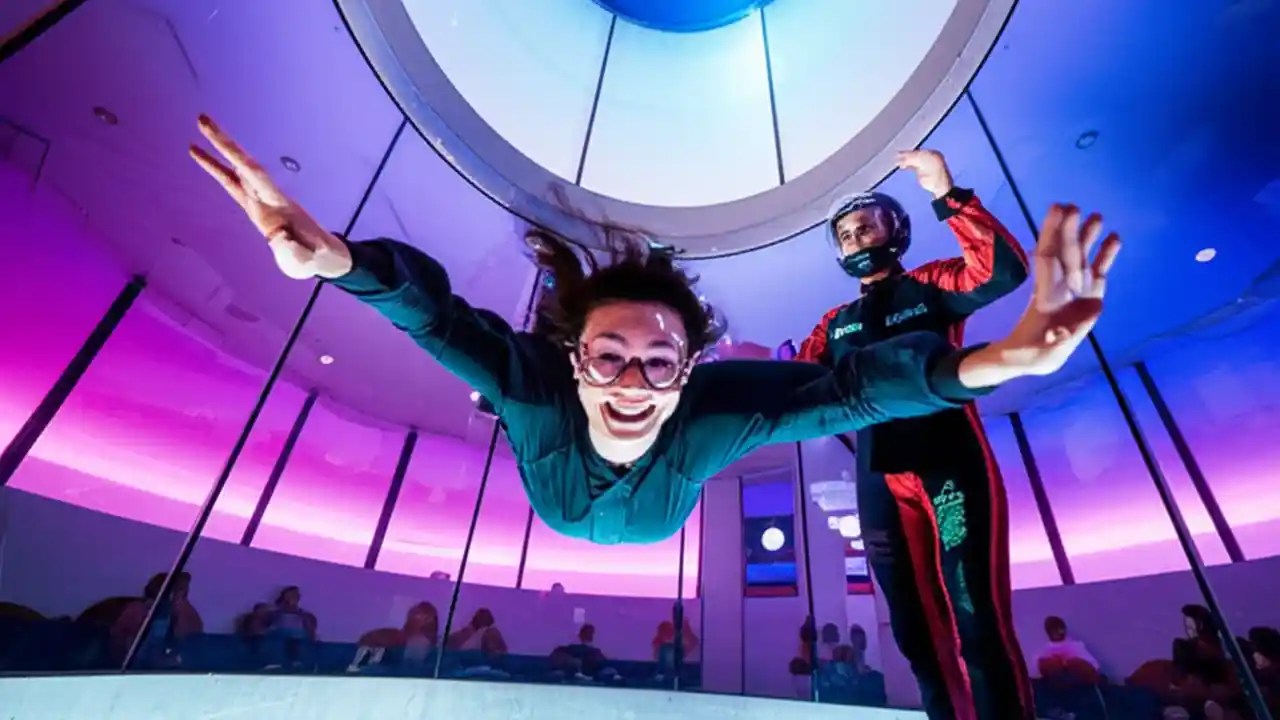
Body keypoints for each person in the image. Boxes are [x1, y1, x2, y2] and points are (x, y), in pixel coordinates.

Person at [189, 115, 1122, 550]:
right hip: (582, 505)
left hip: (653, 515)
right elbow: (432, 317)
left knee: (784, 406)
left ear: (686, 372)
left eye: (656, 361)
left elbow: (845, 393)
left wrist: (1000, 359)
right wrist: (338, 262)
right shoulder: (531, 386)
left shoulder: (705, 417)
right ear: (573, 361)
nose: (632, 382)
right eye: (609, 356)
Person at [793, 149, 1095, 719]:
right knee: (915, 637)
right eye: (847, 233)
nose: (857, 237)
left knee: (977, 620)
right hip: (878, 481)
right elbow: (792, 386)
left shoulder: (930, 285)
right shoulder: (833, 324)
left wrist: (946, 193)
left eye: (867, 225)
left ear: (896, 231)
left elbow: (1000, 272)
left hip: (949, 464)